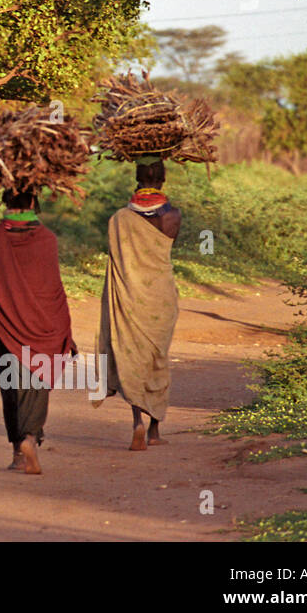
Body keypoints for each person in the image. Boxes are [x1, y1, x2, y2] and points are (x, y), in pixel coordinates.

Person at [0, 158, 77, 475]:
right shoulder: (46, 240)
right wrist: (67, 332)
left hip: (7, 323)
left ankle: (17, 451)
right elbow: (54, 290)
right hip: (45, 327)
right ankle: (29, 439)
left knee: (10, 382)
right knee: (37, 382)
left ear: (4, 201)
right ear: (34, 201)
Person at [95, 156, 182, 451]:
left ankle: (137, 423)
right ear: (163, 178)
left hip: (129, 296)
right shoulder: (174, 217)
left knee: (131, 355)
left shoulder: (119, 219)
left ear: (137, 177)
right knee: (157, 357)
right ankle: (155, 428)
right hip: (161, 298)